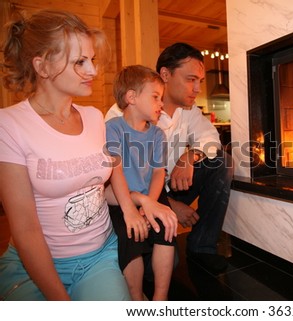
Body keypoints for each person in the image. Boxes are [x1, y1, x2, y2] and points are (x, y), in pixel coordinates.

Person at [0, 9, 162, 301]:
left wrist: (131, 206)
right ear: (43, 66)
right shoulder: (10, 125)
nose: (93, 71)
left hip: (98, 258)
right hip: (34, 265)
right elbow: (24, 229)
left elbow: (111, 169)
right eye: (79, 62)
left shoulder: (93, 118)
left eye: (92, 60)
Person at [105, 42, 233, 273]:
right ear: (165, 74)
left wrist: (190, 156)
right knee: (157, 269)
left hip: (169, 183)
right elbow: (113, 178)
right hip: (134, 194)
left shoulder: (190, 112)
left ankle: (202, 247)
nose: (197, 89)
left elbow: (211, 139)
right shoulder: (121, 115)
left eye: (200, 82)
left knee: (222, 162)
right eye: (190, 79)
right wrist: (171, 205)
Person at [105, 65, 177, 300]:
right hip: (121, 197)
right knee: (130, 234)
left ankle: (160, 297)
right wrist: (137, 207)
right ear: (131, 97)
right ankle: (136, 298)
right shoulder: (111, 129)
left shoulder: (157, 134)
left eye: (161, 98)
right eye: (155, 97)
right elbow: (115, 172)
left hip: (151, 193)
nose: (161, 104)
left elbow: (158, 173)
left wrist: (151, 205)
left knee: (166, 223)